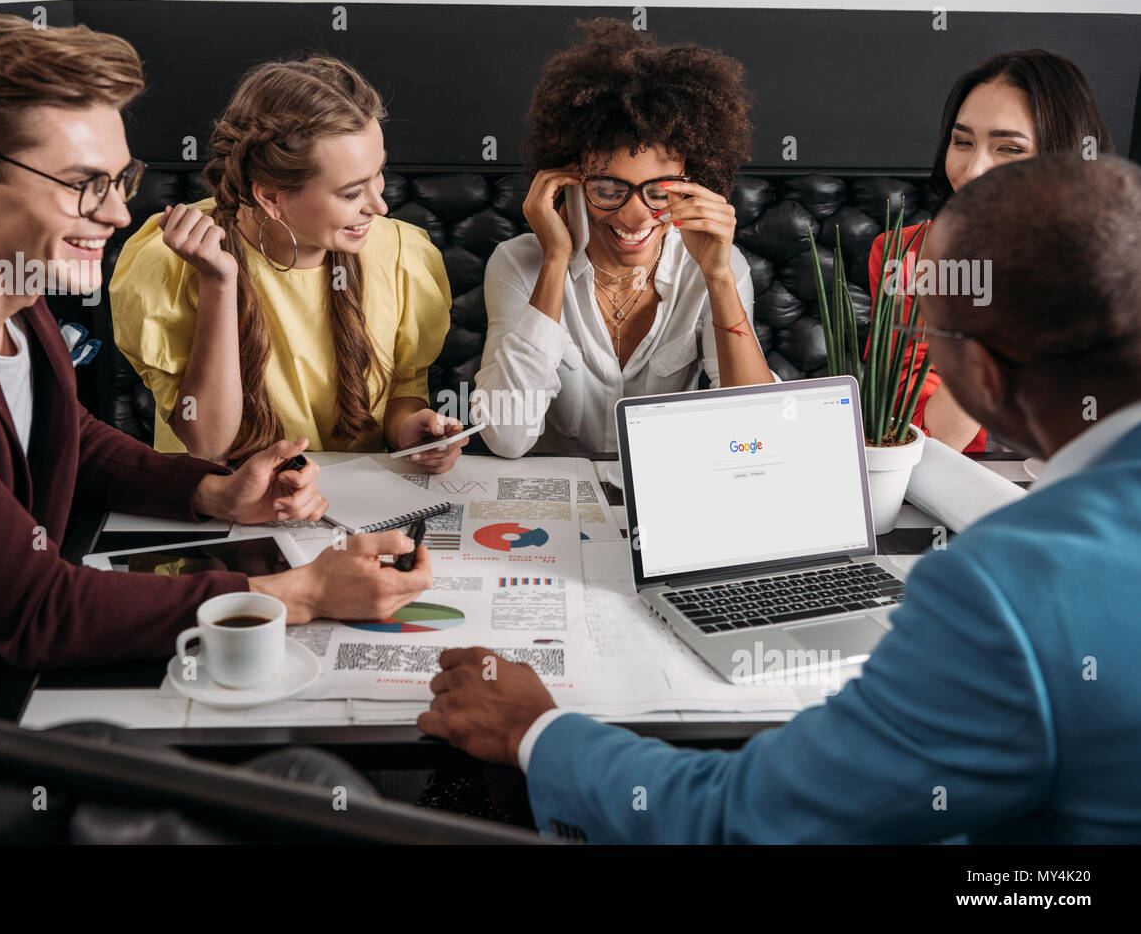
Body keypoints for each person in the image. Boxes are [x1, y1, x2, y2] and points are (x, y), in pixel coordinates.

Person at [420, 153, 1141, 843]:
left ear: (977, 371)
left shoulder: (1003, 592)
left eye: (930, 326)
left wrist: (534, 731)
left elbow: (743, 820)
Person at [0, 15, 431, 712]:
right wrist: (296, 593)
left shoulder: (11, 277)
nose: (119, 213)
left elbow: (73, 440)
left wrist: (212, 491)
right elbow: (36, 609)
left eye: (122, 180)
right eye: (86, 184)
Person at [109, 58, 468, 472]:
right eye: (352, 193)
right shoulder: (168, 263)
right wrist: (219, 283)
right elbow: (205, 444)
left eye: (379, 173)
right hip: (223, 499)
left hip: (348, 506)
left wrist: (410, 430)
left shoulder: (402, 253)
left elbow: (402, 392)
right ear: (272, 197)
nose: (380, 205)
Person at [474, 19, 774, 458]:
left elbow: (757, 431)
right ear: (569, 182)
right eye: (609, 189)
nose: (635, 215)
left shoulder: (717, 267)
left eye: (660, 191)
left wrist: (720, 279)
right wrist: (556, 261)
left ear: (695, 184)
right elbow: (507, 438)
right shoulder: (516, 265)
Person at [868, 49, 1113, 452]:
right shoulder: (908, 256)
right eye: (962, 142)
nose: (972, 170)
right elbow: (929, 440)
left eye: (1009, 149)